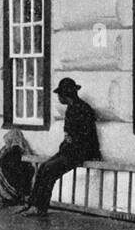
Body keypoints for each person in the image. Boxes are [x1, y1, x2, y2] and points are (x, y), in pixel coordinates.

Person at [20, 78, 100, 217]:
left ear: (65, 94)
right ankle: (31, 204)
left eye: (60, 94)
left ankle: (40, 208)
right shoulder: (71, 109)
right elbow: (69, 135)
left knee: (50, 170)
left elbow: (85, 137)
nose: (58, 97)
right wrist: (67, 143)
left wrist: (71, 141)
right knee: (44, 167)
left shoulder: (83, 109)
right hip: (70, 150)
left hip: (82, 152)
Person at [0, 128, 36, 207]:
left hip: (12, 184)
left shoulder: (15, 151)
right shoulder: (8, 149)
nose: (6, 143)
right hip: (12, 183)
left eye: (7, 141)